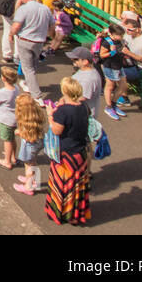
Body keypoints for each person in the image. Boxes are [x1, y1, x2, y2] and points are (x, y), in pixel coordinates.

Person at [45, 76, 92, 226]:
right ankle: (76, 214)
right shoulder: (84, 107)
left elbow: (56, 130)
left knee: (62, 184)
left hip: (66, 154)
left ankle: (61, 213)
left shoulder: (63, 111)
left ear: (65, 91)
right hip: (80, 152)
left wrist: (50, 114)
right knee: (77, 185)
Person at [9, 0, 53, 100]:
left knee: (28, 68)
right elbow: (52, 26)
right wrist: (50, 37)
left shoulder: (23, 9)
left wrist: (11, 34)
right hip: (39, 41)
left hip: (25, 41)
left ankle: (36, 95)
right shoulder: (45, 9)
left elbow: (16, 25)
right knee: (33, 66)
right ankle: (29, 84)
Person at [119, 10, 142, 105]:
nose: (127, 32)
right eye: (127, 29)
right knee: (111, 65)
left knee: (119, 72)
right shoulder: (129, 36)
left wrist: (130, 54)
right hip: (131, 65)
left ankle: (124, 98)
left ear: (138, 29)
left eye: (130, 30)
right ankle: (114, 91)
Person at [13, 93, 47, 195]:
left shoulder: (25, 123)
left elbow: (26, 136)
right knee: (33, 162)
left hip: (29, 147)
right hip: (38, 144)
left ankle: (28, 186)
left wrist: (17, 132)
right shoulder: (36, 118)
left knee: (29, 165)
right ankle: (33, 180)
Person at [97, 22, 128, 120]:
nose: (121, 37)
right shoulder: (106, 42)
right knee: (110, 86)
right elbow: (102, 55)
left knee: (123, 85)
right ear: (111, 34)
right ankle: (109, 106)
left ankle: (114, 104)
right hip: (110, 66)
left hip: (119, 65)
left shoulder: (120, 41)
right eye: (119, 35)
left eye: (121, 35)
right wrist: (112, 51)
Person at [0, 65, 20, 169]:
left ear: (4, 78)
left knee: (7, 140)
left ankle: (7, 161)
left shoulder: (2, 92)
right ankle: (13, 157)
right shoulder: (16, 88)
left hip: (5, 120)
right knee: (12, 139)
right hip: (14, 118)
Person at [66, 47, 103, 121]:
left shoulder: (89, 79)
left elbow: (81, 98)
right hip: (77, 112)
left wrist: (64, 104)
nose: (72, 60)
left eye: (76, 59)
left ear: (85, 62)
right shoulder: (83, 71)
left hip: (83, 116)